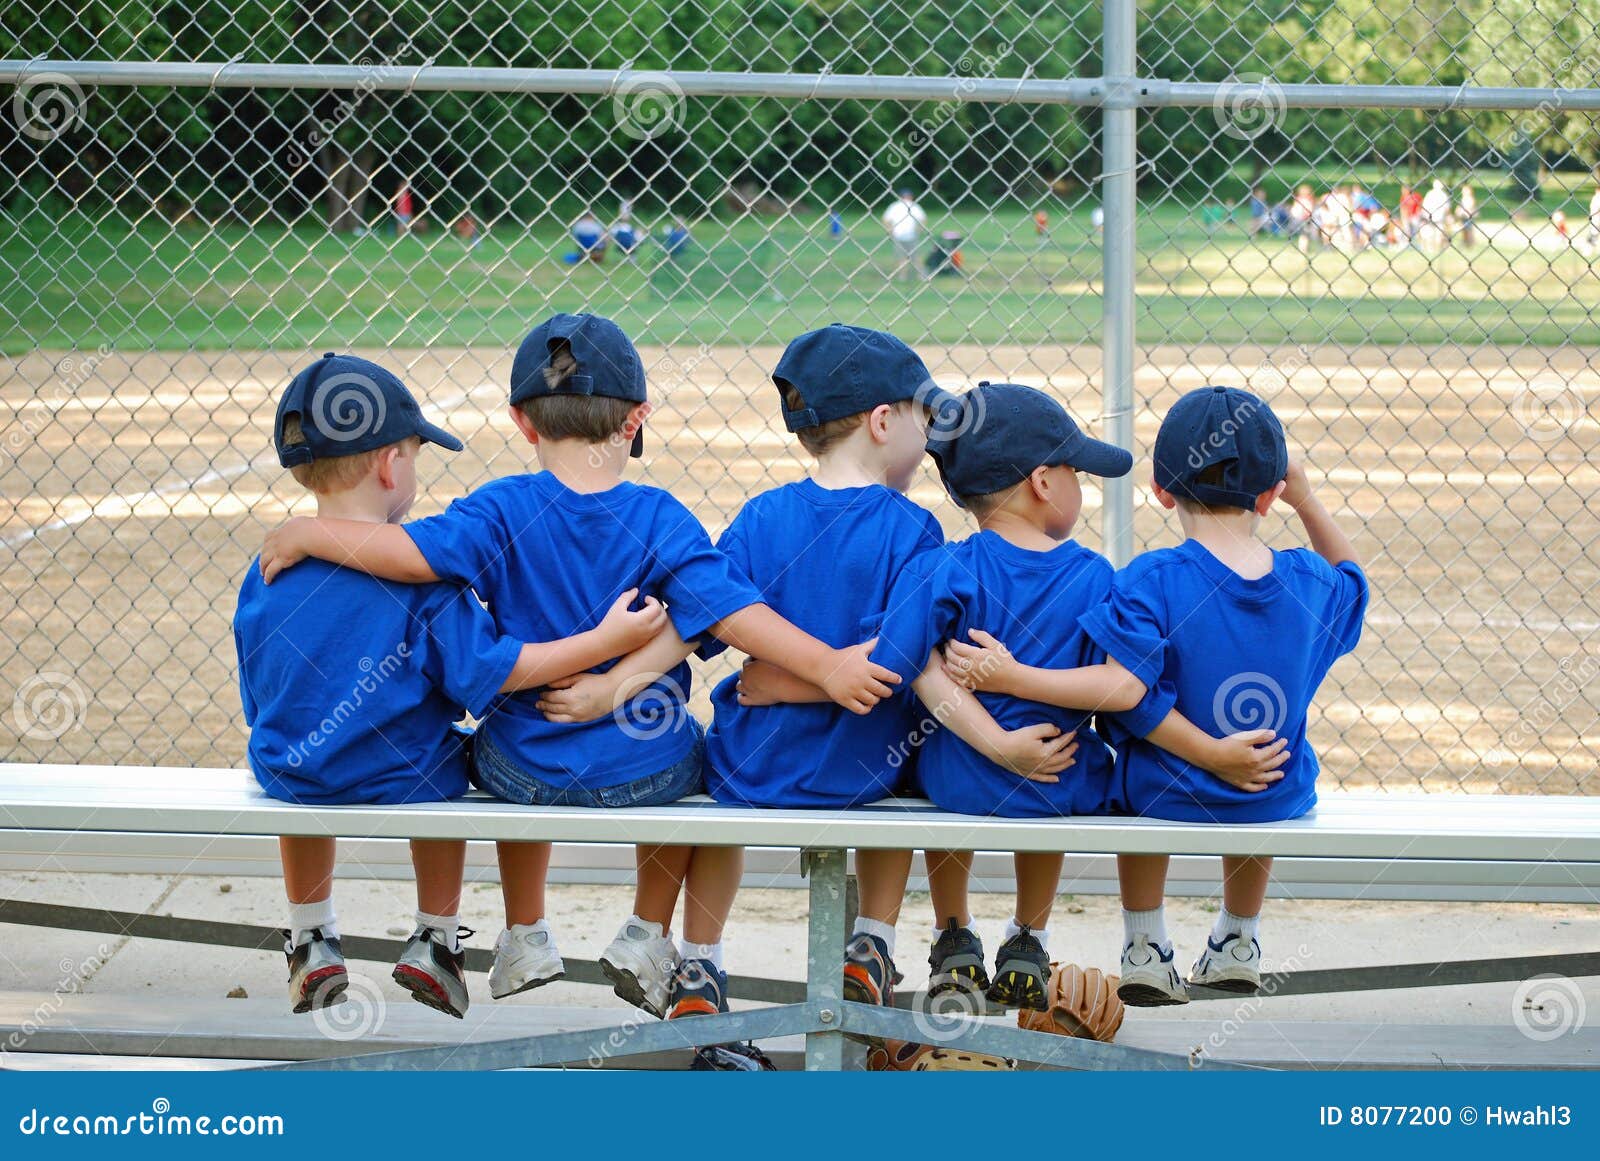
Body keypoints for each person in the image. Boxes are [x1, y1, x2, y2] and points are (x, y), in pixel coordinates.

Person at [256, 314, 903, 1017]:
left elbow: (409, 555)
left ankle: (525, 931)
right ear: (636, 420)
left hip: (517, 774)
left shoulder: (500, 508)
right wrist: (828, 666)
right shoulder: (660, 515)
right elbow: (726, 612)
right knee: (697, 751)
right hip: (643, 774)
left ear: (523, 423)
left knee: (495, 735)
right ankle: (646, 931)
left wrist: (309, 529)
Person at [235, 354, 668, 1019]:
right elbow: (493, 674)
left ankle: (311, 935)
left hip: (290, 770)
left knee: (297, 760)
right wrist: (604, 646)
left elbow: (261, 695)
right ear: (388, 466)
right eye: (413, 455)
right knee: (450, 753)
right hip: (401, 773)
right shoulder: (424, 581)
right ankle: (435, 936)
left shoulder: (267, 568)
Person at [695, 335, 1080, 1017]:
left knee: (725, 780)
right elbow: (906, 663)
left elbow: (710, 618)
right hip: (862, 770)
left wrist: (784, 682)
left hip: (749, 768)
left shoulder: (760, 515)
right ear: (881, 421)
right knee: (913, 750)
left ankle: (700, 960)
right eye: (920, 421)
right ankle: (873, 936)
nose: (927, 441)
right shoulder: (914, 529)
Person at [1080, 386, 1367, 1006]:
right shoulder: (1310, 581)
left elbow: (1130, 699)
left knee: (1129, 775)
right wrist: (1309, 499)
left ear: (1160, 492)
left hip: (1166, 793)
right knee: (1267, 768)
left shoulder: (1149, 580)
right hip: (1273, 796)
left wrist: (1209, 754)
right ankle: (1239, 939)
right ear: (1270, 495)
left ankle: (1145, 947)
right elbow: (1355, 581)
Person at [882, 189, 927, 282]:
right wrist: (920, 229)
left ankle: (913, 275)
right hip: (902, 235)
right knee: (906, 257)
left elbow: (885, 219)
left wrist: (889, 230)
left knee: (912, 256)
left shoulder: (910, 206)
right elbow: (923, 219)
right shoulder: (898, 206)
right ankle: (906, 275)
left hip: (907, 235)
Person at [1422, 180, 1450, 253]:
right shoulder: (1444, 195)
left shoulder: (1429, 193)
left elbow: (1424, 206)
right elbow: (1447, 208)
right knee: (1438, 234)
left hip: (1429, 216)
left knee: (1430, 233)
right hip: (1439, 217)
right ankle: (1438, 249)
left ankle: (1430, 249)